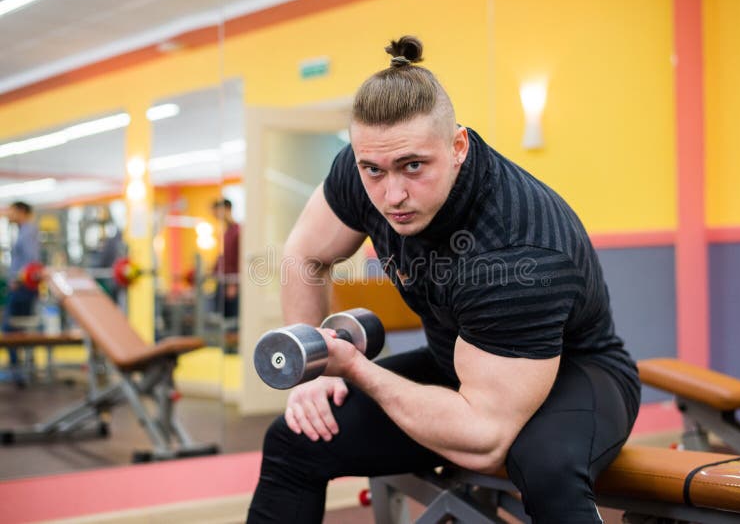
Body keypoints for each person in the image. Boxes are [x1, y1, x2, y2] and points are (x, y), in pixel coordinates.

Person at [247, 36, 641, 523]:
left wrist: (353, 368)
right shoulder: (364, 168)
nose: (392, 194)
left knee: (544, 467)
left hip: (577, 374)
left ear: (458, 146)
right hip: (460, 363)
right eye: (374, 170)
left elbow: (482, 441)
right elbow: (302, 255)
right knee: (298, 436)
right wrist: (309, 372)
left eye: (414, 167)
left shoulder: (517, 248)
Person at [2, 201, 41, 387]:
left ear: (21, 211)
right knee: (18, 330)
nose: (9, 214)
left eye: (12, 211)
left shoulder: (28, 231)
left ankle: (19, 372)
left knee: (10, 330)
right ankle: (22, 371)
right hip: (22, 287)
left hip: (23, 288)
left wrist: (18, 280)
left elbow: (31, 262)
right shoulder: (23, 230)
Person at [211, 198, 240, 322]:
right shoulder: (225, 233)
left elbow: (238, 259)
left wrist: (234, 284)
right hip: (222, 281)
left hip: (231, 282)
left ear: (226, 209)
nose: (215, 215)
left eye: (216, 211)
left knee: (231, 321)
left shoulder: (237, 231)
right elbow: (223, 258)